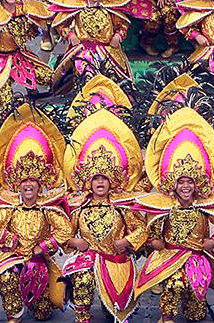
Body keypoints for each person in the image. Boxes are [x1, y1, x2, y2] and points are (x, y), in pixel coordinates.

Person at [134, 110, 214, 323]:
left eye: (190, 182)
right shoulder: (165, 206)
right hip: (170, 257)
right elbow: (151, 229)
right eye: (181, 182)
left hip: (197, 258)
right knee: (174, 284)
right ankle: (167, 317)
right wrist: (155, 242)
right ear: (174, 184)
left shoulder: (204, 206)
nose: (186, 186)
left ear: (197, 184)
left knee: (196, 315)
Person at [0, 107, 74, 323]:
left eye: (33, 181)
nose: (29, 185)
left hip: (38, 262)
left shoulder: (47, 208)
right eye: (24, 181)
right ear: (18, 185)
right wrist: (10, 241)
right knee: (6, 274)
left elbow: (65, 230)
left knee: (43, 313)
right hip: (12, 258)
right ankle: (13, 315)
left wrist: (43, 247)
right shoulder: (9, 208)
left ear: (40, 184)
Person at [62, 110, 149, 323]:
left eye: (104, 178)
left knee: (115, 314)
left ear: (112, 182)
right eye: (95, 178)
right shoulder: (79, 206)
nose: (100, 182)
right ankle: (82, 317)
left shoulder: (122, 205)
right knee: (82, 277)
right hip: (88, 259)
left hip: (116, 261)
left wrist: (126, 241)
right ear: (88, 182)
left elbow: (141, 229)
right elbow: (64, 233)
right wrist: (75, 241)